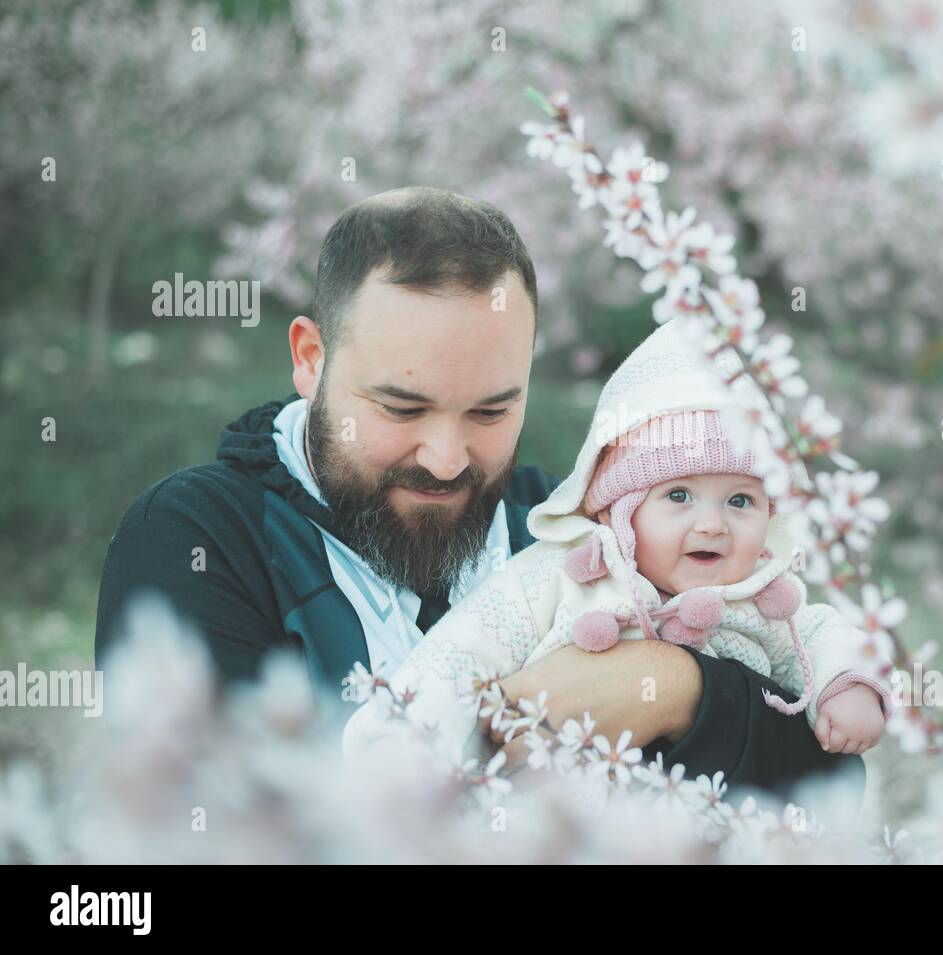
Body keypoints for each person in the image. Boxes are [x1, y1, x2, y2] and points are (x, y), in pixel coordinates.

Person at [95, 185, 864, 797]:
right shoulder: (196, 537)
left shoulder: (581, 537)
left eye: (492, 409)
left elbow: (830, 789)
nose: (447, 457)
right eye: (402, 407)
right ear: (310, 357)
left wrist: (679, 688)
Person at [343, 318, 895, 770]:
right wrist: (402, 749)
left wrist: (846, 687)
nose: (713, 525)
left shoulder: (764, 601)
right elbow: (465, 650)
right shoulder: (560, 575)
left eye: (740, 501)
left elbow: (827, 636)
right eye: (679, 495)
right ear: (620, 509)